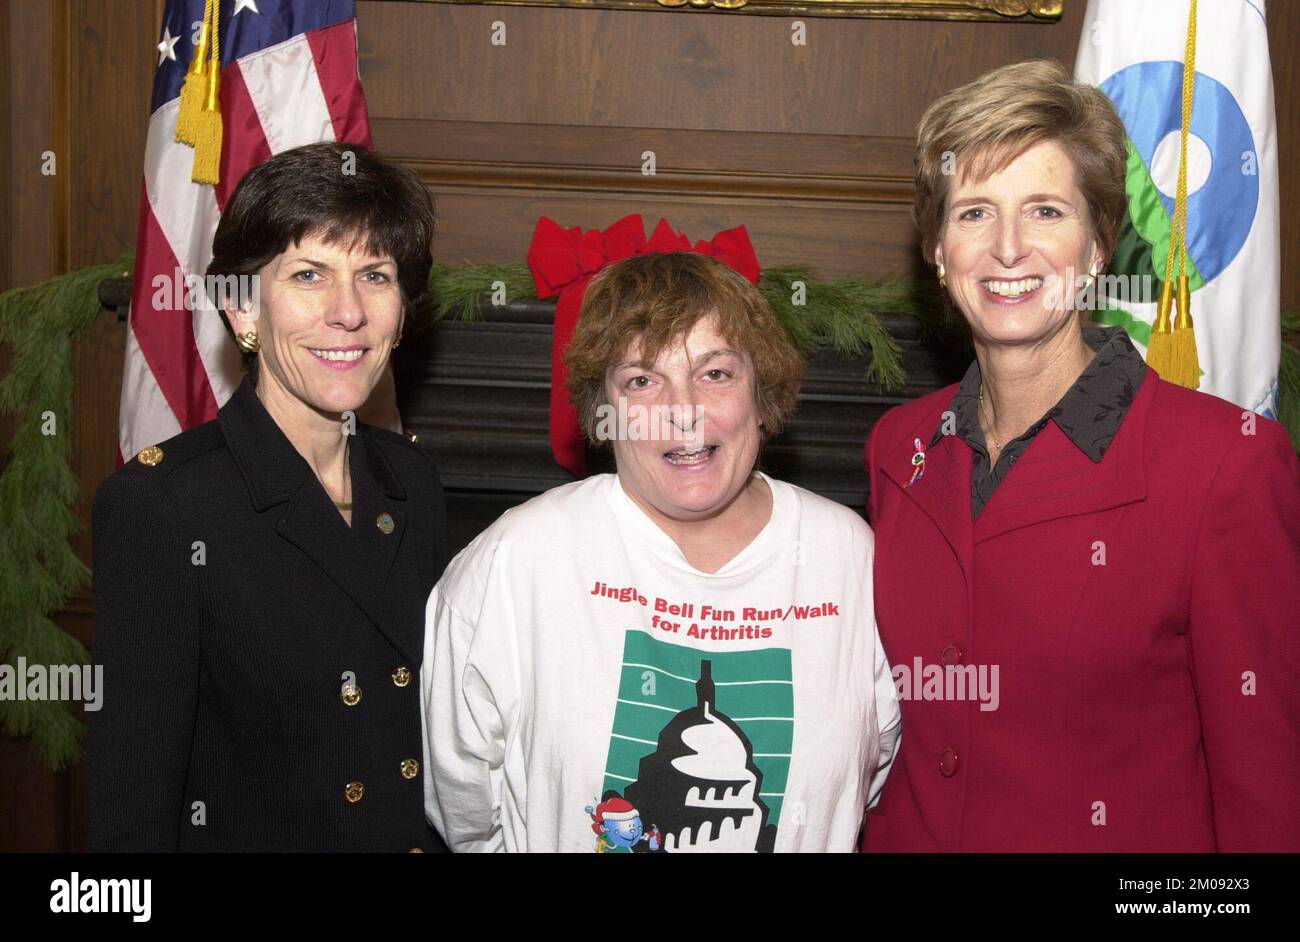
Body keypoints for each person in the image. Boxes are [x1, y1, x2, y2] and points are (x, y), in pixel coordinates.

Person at [863, 59, 1300, 852]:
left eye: (1044, 211)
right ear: (936, 249)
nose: (1006, 249)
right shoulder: (901, 448)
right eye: (973, 214)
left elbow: (1265, 793)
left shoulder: (1224, 466)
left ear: (1097, 245)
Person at [422, 250, 901, 852]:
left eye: (715, 373)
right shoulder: (518, 562)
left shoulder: (849, 560)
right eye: (643, 380)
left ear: (762, 395)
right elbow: (464, 808)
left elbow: (879, 777)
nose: (683, 412)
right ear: (606, 411)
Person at [88, 142, 450, 852]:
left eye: (374, 276)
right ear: (243, 313)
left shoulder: (413, 483)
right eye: (309, 275)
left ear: (401, 314)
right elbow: (131, 817)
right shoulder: (165, 507)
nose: (347, 313)